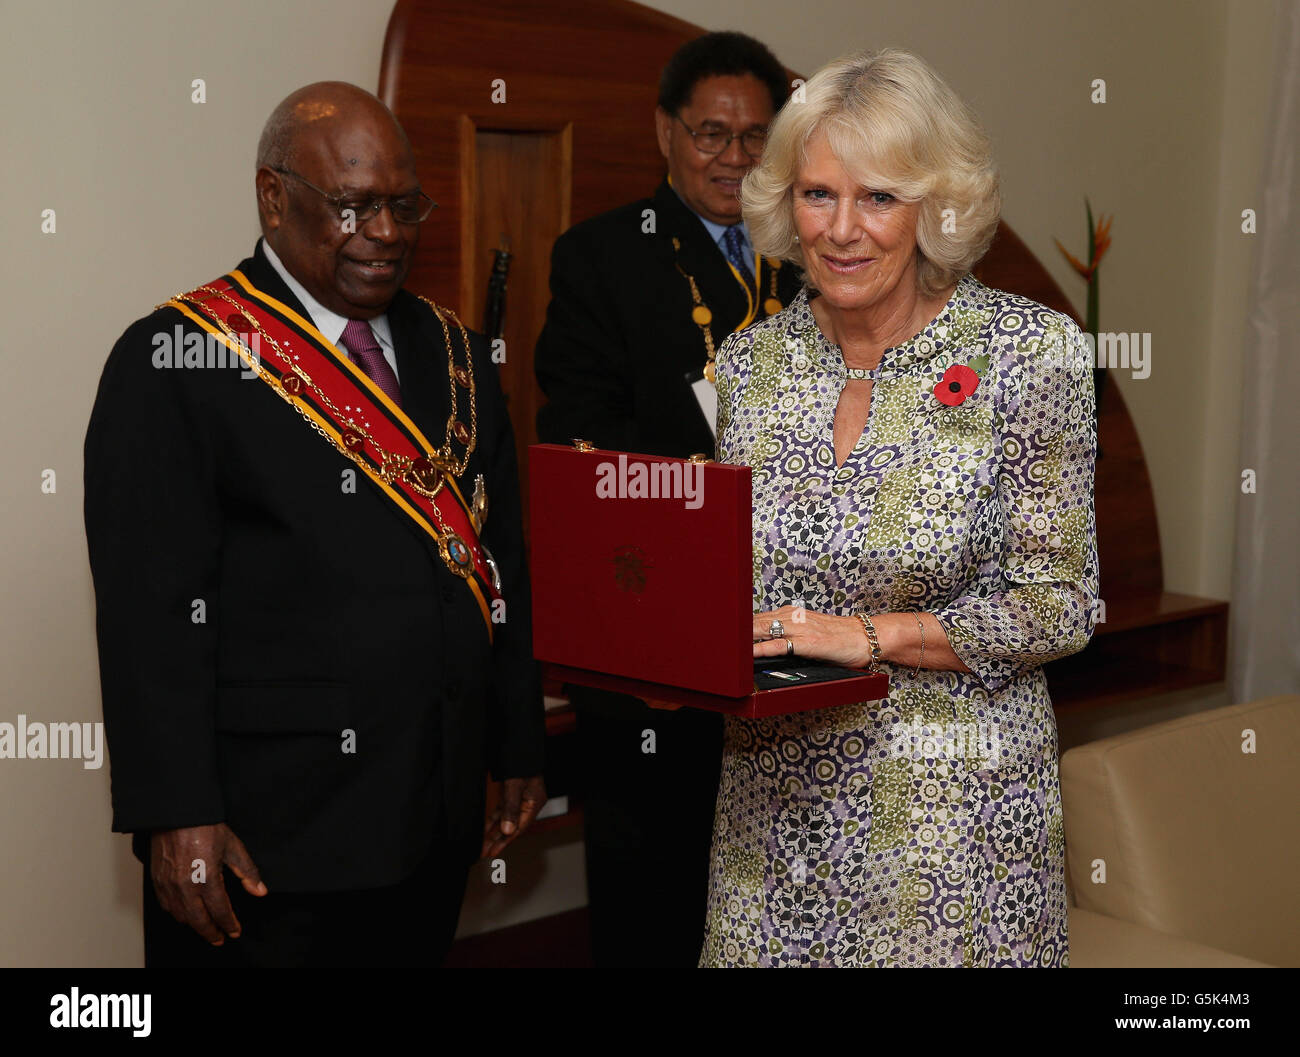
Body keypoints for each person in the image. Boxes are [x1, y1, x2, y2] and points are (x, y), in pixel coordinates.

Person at [84, 82, 546, 968]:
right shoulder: (177, 359)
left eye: (403, 205)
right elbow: (151, 616)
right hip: (273, 838)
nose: (386, 233)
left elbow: (499, 565)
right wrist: (177, 811)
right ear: (273, 195)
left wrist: (515, 737)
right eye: (354, 206)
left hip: (434, 814)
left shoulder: (457, 358)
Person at [700, 49, 1099, 967]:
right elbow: (743, 579)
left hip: (947, 825)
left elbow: (1060, 602)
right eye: (817, 194)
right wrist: (678, 651)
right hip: (773, 815)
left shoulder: (1030, 354)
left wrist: (869, 635)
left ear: (938, 207)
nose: (842, 230)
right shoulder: (753, 367)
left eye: (879, 197)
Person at [534, 31, 801, 967]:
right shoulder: (601, 256)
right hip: (658, 636)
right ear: (665, 133)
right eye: (711, 134)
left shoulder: (823, 257)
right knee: (659, 903)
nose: (735, 158)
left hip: (795, 639)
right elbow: (578, 444)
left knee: (784, 905)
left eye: (758, 136)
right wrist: (702, 495)